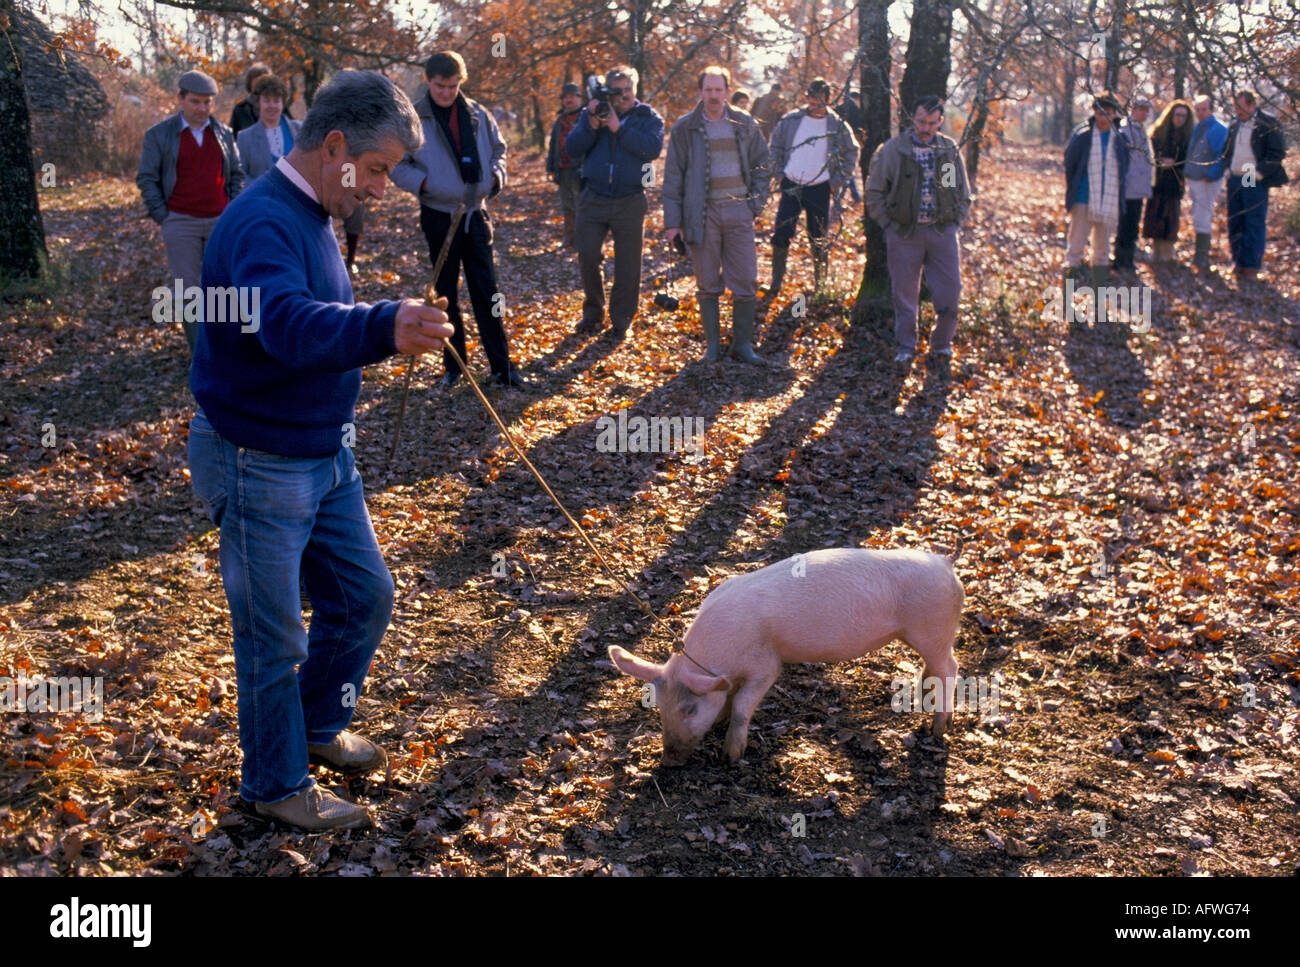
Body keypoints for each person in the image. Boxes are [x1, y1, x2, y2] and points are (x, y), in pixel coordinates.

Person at [188, 70, 455, 831]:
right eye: (374, 171)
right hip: (257, 456)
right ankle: (275, 784)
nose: (381, 189)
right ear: (334, 146)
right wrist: (381, 326)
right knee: (275, 635)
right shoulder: (262, 222)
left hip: (322, 453)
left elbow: (315, 315)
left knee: (363, 596)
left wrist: (379, 325)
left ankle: (311, 726)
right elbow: (286, 325)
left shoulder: (312, 214)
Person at [390, 50, 524, 389]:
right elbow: (396, 164)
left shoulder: (478, 113)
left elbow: (500, 151)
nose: (447, 93)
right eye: (440, 87)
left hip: (476, 215)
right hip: (438, 215)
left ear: (460, 82)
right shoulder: (414, 119)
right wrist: (425, 185)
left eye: (452, 86)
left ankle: (502, 365)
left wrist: (495, 178)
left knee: (487, 291)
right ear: (428, 82)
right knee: (445, 292)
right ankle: (455, 368)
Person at [663, 66, 771, 363]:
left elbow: (764, 163)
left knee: (747, 279)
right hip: (701, 214)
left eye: (718, 90)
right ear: (700, 92)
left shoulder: (744, 122)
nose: (713, 95)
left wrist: (754, 204)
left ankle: (742, 345)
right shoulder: (685, 128)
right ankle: (712, 346)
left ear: (727, 91)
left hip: (739, 211)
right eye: (708, 90)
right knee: (707, 281)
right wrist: (673, 223)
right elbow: (673, 177)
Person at [137, 69, 244, 355]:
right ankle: (200, 353)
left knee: (223, 285)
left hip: (219, 219)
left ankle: (225, 349)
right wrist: (163, 215)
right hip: (180, 221)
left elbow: (236, 174)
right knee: (187, 290)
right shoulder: (160, 135)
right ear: (180, 99)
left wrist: (232, 210)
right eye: (196, 102)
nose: (203, 109)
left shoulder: (222, 133)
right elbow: (147, 177)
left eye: (208, 102)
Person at [863, 95, 971, 368]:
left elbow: (959, 191)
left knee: (950, 292)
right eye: (922, 121)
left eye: (933, 123)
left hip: (941, 233)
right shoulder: (893, 150)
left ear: (940, 122)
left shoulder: (947, 150)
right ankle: (906, 347)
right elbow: (874, 192)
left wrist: (954, 224)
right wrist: (889, 225)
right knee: (904, 296)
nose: (926, 128)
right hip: (904, 234)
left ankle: (942, 345)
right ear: (913, 119)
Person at [564, 65, 665, 339]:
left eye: (628, 90)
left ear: (635, 89)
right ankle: (593, 314)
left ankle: (621, 321)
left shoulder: (648, 117)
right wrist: (594, 125)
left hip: (630, 199)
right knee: (587, 254)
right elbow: (572, 148)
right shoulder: (592, 114)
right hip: (593, 197)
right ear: (609, 92)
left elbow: (652, 149)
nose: (623, 97)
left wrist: (618, 129)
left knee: (628, 264)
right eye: (617, 91)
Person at [765, 78, 860, 297]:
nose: (814, 103)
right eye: (811, 98)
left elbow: (851, 152)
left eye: (819, 99)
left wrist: (836, 181)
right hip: (791, 183)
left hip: (820, 187)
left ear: (828, 100)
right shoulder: (792, 120)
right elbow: (775, 145)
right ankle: (776, 282)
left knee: (818, 236)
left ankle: (821, 285)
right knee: (782, 232)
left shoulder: (837, 125)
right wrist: (779, 174)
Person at [1062, 91, 1128, 296]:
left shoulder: (1121, 140)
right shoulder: (1083, 136)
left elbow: (1124, 169)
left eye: (1108, 114)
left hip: (1108, 202)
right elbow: (1070, 164)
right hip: (1083, 199)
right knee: (1075, 250)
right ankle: (1069, 298)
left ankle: (1099, 297)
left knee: (1101, 252)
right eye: (1100, 113)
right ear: (1094, 113)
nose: (1104, 118)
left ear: (1115, 114)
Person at [1225, 89, 1290, 285]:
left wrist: (1257, 173)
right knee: (1235, 221)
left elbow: (1276, 154)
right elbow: (1227, 150)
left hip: (1251, 176)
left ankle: (1251, 266)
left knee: (1253, 221)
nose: (1238, 110)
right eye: (1235, 106)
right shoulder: (1235, 124)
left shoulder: (1267, 123)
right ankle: (1238, 262)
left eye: (1241, 106)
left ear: (1252, 104)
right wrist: (1227, 169)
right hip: (1235, 176)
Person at [1142, 99, 1194, 265]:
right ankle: (1155, 250)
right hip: (1158, 181)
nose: (1180, 119)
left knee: (1170, 216)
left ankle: (1167, 252)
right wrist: (1160, 161)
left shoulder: (1189, 137)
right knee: (1155, 214)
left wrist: (1177, 163)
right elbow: (1150, 153)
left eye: (1183, 116)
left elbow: (1191, 159)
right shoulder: (1159, 132)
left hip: (1175, 182)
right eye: (1177, 115)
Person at [1184, 95, 1229, 274]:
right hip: (1194, 180)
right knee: (1197, 217)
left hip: (1207, 181)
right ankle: (1199, 256)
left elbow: (1221, 155)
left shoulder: (1218, 129)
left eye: (1204, 109)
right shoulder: (1198, 127)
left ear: (1211, 110)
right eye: (1198, 109)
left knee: (1203, 217)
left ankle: (1201, 258)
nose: (1200, 113)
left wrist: (1210, 176)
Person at [1111, 97, 1152, 272]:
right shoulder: (1125, 131)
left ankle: (1128, 259)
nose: (1144, 113)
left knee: (1133, 225)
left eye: (1146, 110)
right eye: (1141, 109)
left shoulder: (1141, 130)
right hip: (1128, 187)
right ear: (1132, 110)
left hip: (1138, 188)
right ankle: (1121, 260)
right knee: (1125, 225)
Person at [235, 74, 301, 181]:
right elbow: (240, 177)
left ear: (283, 103)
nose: (272, 106)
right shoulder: (245, 138)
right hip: (261, 197)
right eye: (267, 101)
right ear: (258, 102)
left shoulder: (300, 130)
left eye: (276, 101)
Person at [545, 82, 585, 250]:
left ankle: (583, 241)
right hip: (563, 169)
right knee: (567, 206)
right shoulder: (560, 120)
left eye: (572, 96)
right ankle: (569, 240)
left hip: (580, 170)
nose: (568, 100)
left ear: (579, 98)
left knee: (581, 205)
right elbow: (553, 144)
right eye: (566, 97)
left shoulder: (586, 117)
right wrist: (550, 167)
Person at [229, 62, 271, 136]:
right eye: (257, 82)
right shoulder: (240, 110)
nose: (260, 86)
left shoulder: (278, 106)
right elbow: (233, 139)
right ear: (250, 84)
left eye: (263, 82)